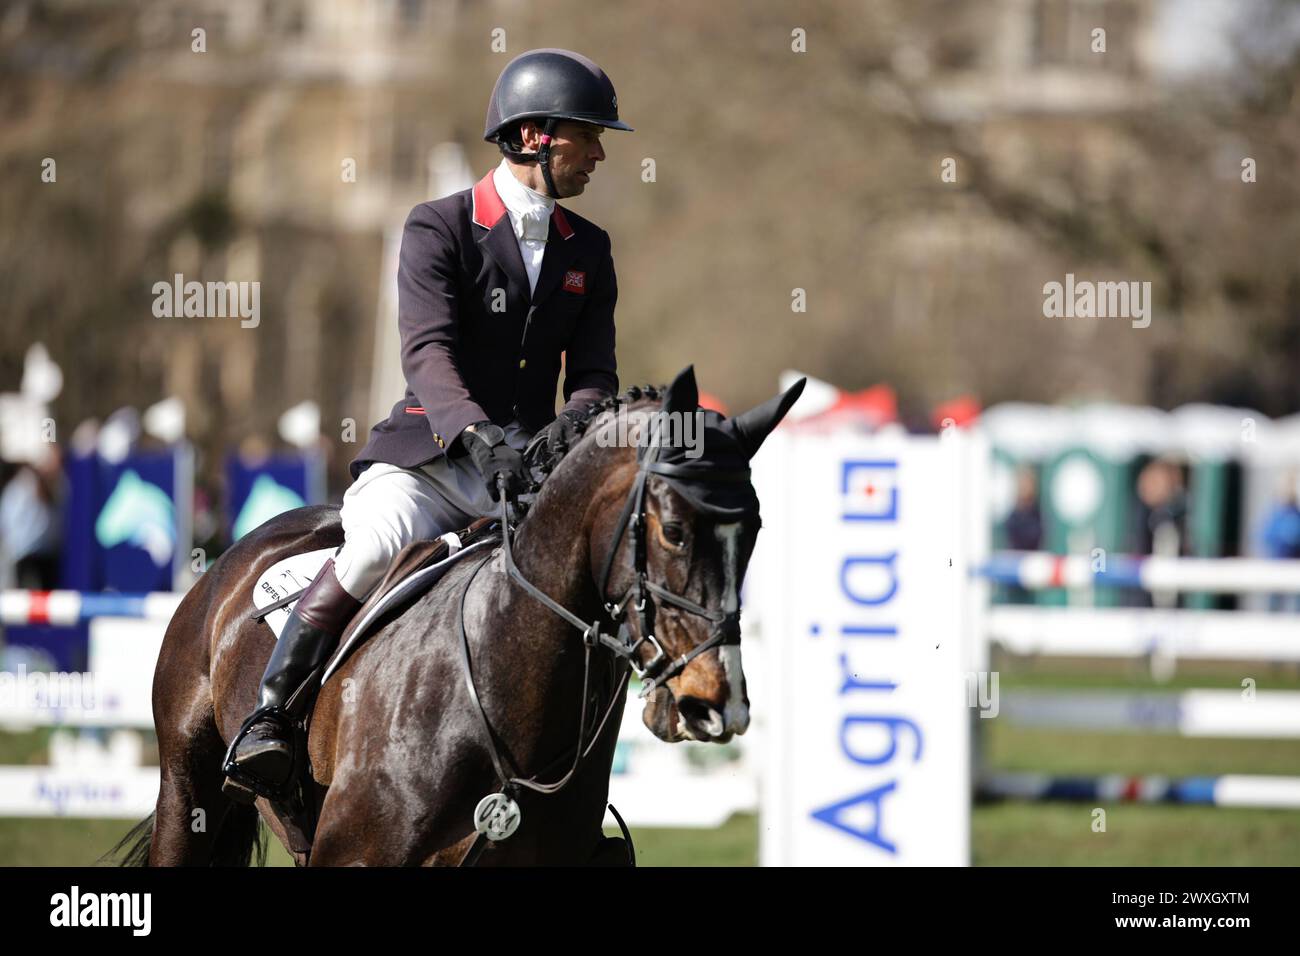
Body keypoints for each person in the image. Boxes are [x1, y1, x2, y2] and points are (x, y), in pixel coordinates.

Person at [224, 48, 631, 800]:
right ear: (534, 136)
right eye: (589, 135)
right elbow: (428, 350)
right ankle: (271, 715)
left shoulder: (590, 250)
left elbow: (597, 377)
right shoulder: (437, 227)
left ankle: (571, 804)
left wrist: (561, 439)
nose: (602, 153)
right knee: (377, 544)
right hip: (429, 464)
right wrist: (478, 436)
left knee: (584, 594)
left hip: (523, 478)